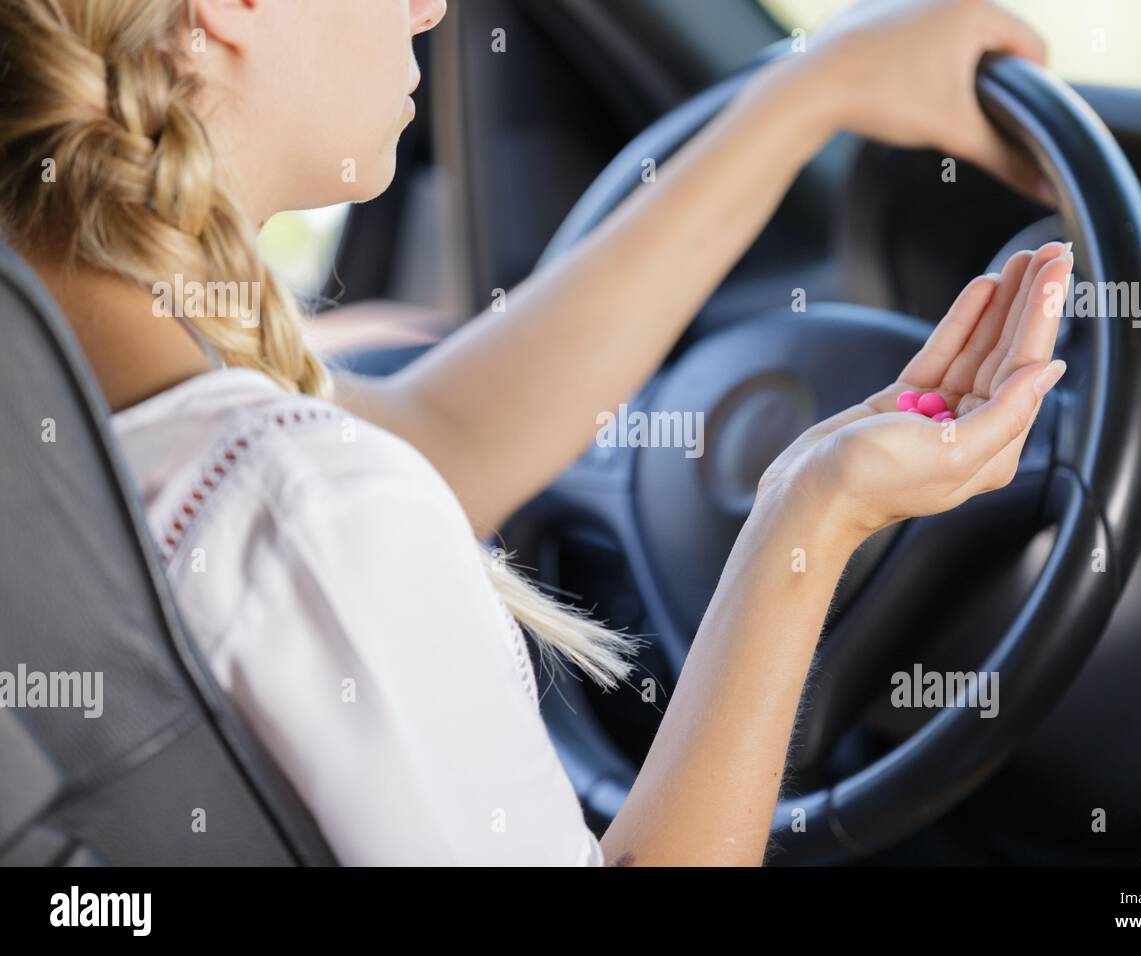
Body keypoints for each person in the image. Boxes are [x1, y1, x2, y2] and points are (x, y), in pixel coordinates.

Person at [0, 0, 1071, 865]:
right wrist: (813, 515)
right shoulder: (307, 504)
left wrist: (812, 91)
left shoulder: (62, 375)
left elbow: (448, 435)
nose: (428, 9)